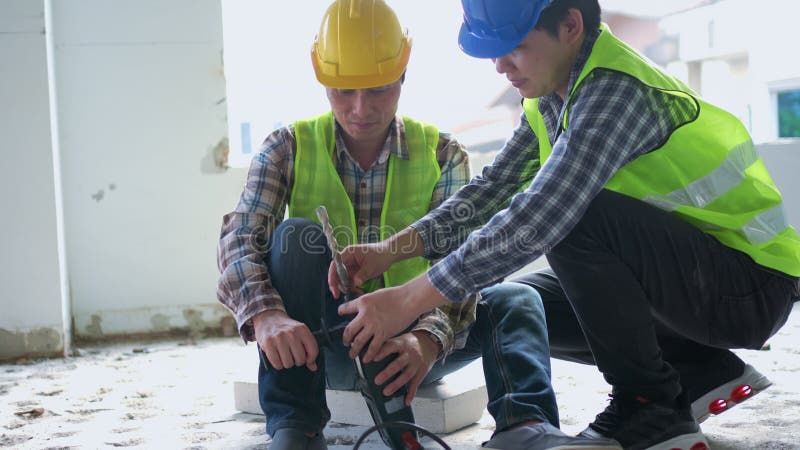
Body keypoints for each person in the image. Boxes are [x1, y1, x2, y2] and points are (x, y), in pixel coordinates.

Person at [329, 0, 800, 449]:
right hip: (691, 283)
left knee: (573, 218)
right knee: (517, 304)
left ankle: (650, 405)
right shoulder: (552, 97)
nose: (500, 65)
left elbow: (542, 215)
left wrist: (408, 299)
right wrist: (390, 251)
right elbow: (492, 190)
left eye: (515, 46)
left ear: (571, 26)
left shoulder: (615, 92)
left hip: (748, 288)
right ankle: (695, 369)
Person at [216, 1, 621, 449]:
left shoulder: (442, 153)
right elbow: (240, 238)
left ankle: (525, 427)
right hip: (319, 348)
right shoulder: (286, 147)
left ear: (402, 77)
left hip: (412, 349)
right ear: (324, 84)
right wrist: (267, 316)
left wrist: (427, 340)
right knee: (295, 237)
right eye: (343, 92)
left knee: (516, 298)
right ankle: (297, 428)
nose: (360, 108)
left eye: (378, 90)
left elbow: (465, 256)